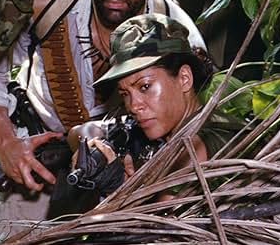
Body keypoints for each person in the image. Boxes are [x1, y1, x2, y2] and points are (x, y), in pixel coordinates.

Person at [0, 0, 207, 239]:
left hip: (128, 172)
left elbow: (195, 120)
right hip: (43, 163)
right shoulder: (45, 3)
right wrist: (6, 142)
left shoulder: (177, 31)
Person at [93, 13, 245, 182]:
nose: (133, 106)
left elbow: (160, 207)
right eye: (124, 94)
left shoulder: (193, 148)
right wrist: (99, 148)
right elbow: (82, 131)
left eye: (145, 87)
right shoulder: (181, 129)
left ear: (184, 78)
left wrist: (118, 184)